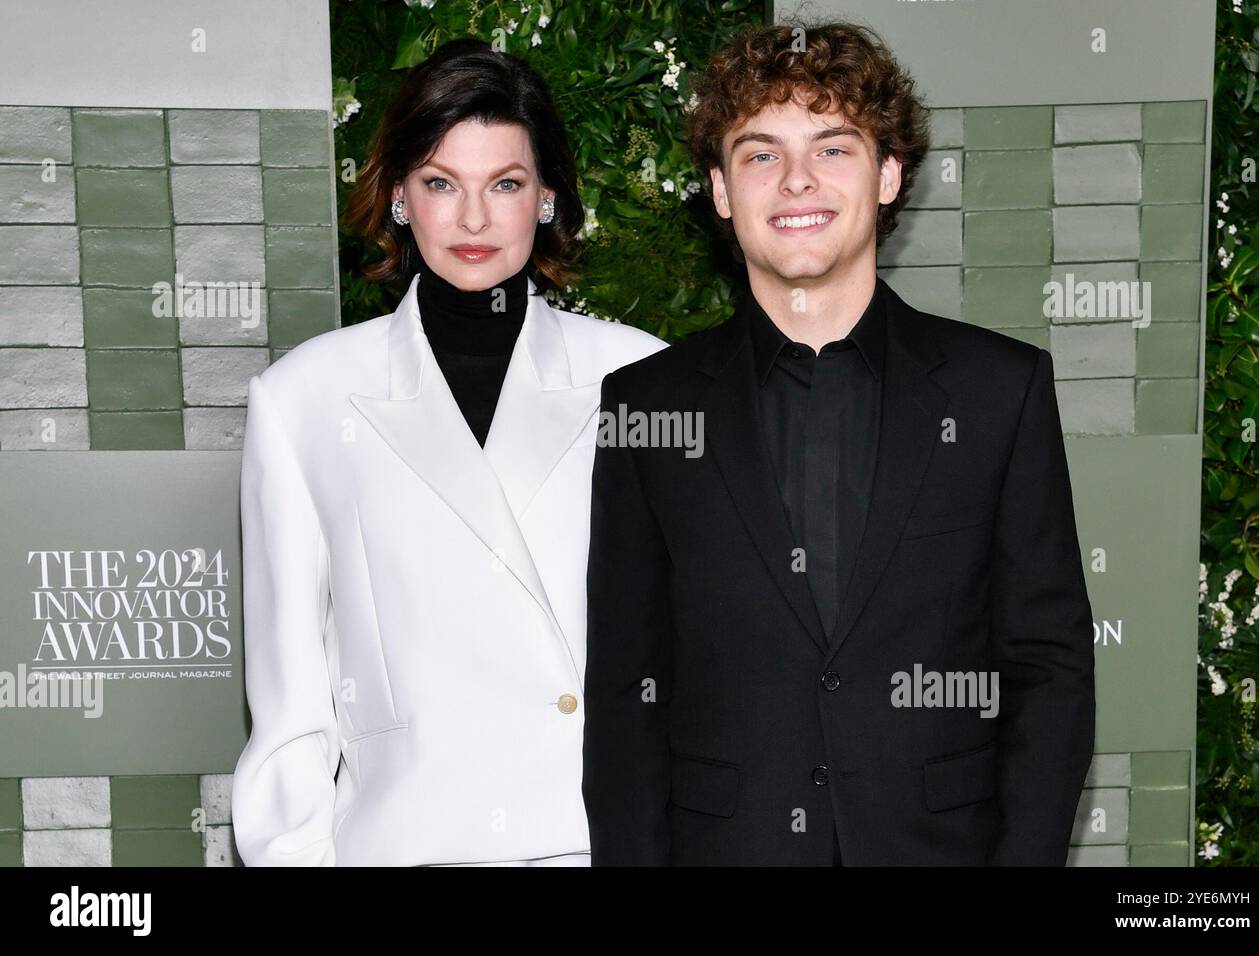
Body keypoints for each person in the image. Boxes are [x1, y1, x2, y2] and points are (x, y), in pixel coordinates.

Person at [582, 20, 1096, 865]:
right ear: (719, 188)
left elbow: (1048, 669)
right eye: (758, 154)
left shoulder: (999, 391)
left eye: (832, 149)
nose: (795, 181)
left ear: (888, 174)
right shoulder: (645, 406)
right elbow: (626, 692)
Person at [231, 37, 664, 866]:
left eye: (504, 184)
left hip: (589, 839)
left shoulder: (638, 376)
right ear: (398, 197)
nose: (472, 219)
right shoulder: (303, 400)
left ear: (546, 200)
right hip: (403, 844)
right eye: (440, 183)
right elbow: (290, 708)